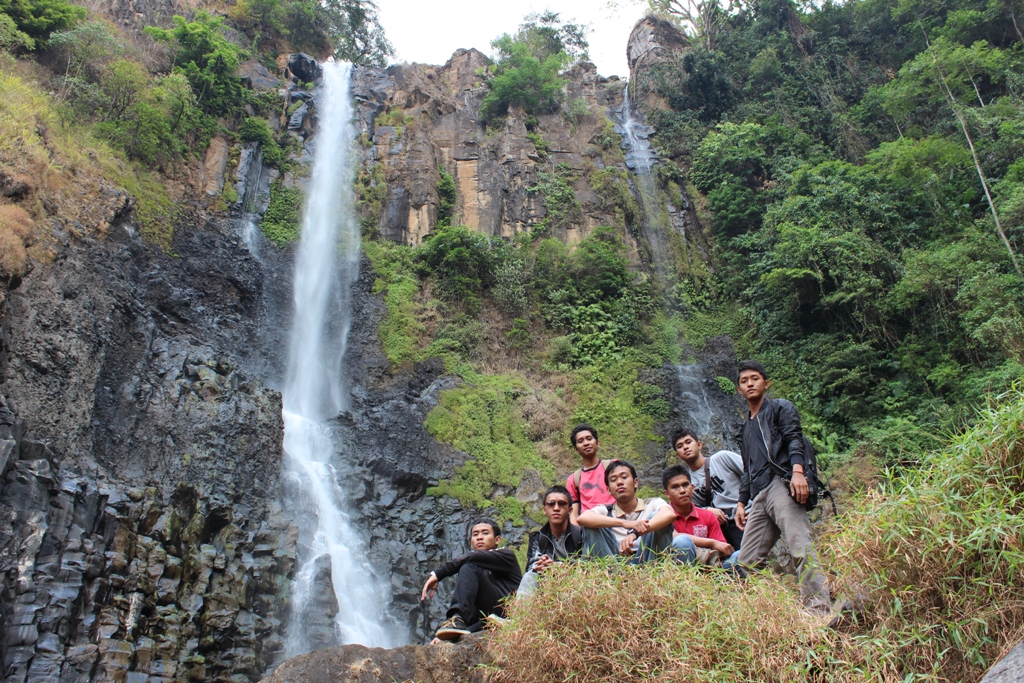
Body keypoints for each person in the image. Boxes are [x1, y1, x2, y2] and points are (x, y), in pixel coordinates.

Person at [733, 360, 831, 614]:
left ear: (766, 383)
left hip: (781, 483)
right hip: (759, 495)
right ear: (739, 389)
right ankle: (768, 612)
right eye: (744, 381)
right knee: (747, 561)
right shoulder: (744, 429)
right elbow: (748, 469)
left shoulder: (779, 408)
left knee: (800, 544)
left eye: (755, 378)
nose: (750, 383)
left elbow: (793, 438)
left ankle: (819, 607)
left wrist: (798, 472)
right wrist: (742, 502)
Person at [421, 518, 522, 643]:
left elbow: (471, 557)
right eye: (475, 534)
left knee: (468, 566)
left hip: (507, 614)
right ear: (471, 541)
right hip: (486, 619)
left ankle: (457, 619)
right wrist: (444, 638)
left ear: (497, 540)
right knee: (469, 569)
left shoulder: (507, 556)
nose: (480, 537)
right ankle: (457, 624)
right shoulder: (474, 573)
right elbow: (480, 617)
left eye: (485, 533)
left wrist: (438, 574)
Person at [577, 460, 676, 562]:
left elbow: (669, 514)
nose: (619, 482)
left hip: (648, 561)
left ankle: (653, 573)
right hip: (615, 565)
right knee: (592, 524)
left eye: (624, 477)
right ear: (608, 490)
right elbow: (583, 518)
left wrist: (635, 533)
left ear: (635, 482)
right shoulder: (606, 510)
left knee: (656, 515)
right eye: (613, 480)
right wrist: (625, 523)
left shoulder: (652, 504)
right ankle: (612, 575)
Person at [672, 428, 745, 550]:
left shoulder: (722, 458)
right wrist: (708, 510)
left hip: (747, 513)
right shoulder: (687, 483)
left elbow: (751, 473)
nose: (685, 447)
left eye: (688, 442)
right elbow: (691, 509)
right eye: (680, 446)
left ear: (699, 445)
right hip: (724, 526)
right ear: (678, 455)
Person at [662, 464, 737, 567]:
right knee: (682, 542)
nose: (682, 490)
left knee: (740, 556)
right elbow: (674, 537)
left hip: (709, 565)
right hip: (675, 566)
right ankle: (688, 580)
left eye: (685, 485)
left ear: (692, 488)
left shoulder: (708, 515)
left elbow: (721, 548)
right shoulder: (663, 515)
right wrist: (711, 543)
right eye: (675, 487)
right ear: (667, 494)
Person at [518, 485, 583, 598]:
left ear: (570, 510)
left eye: (562, 504)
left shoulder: (581, 535)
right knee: (530, 576)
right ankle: (518, 615)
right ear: (544, 509)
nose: (556, 508)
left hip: (576, 584)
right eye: (551, 504)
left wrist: (558, 566)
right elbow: (531, 568)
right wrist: (542, 565)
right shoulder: (537, 538)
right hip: (548, 586)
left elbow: (589, 565)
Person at [565, 424, 616, 525]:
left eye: (589, 439)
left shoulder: (613, 466)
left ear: (597, 443)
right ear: (576, 449)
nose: (586, 443)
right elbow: (573, 514)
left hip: (617, 519)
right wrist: (578, 535)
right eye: (580, 441)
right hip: (591, 525)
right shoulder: (574, 479)